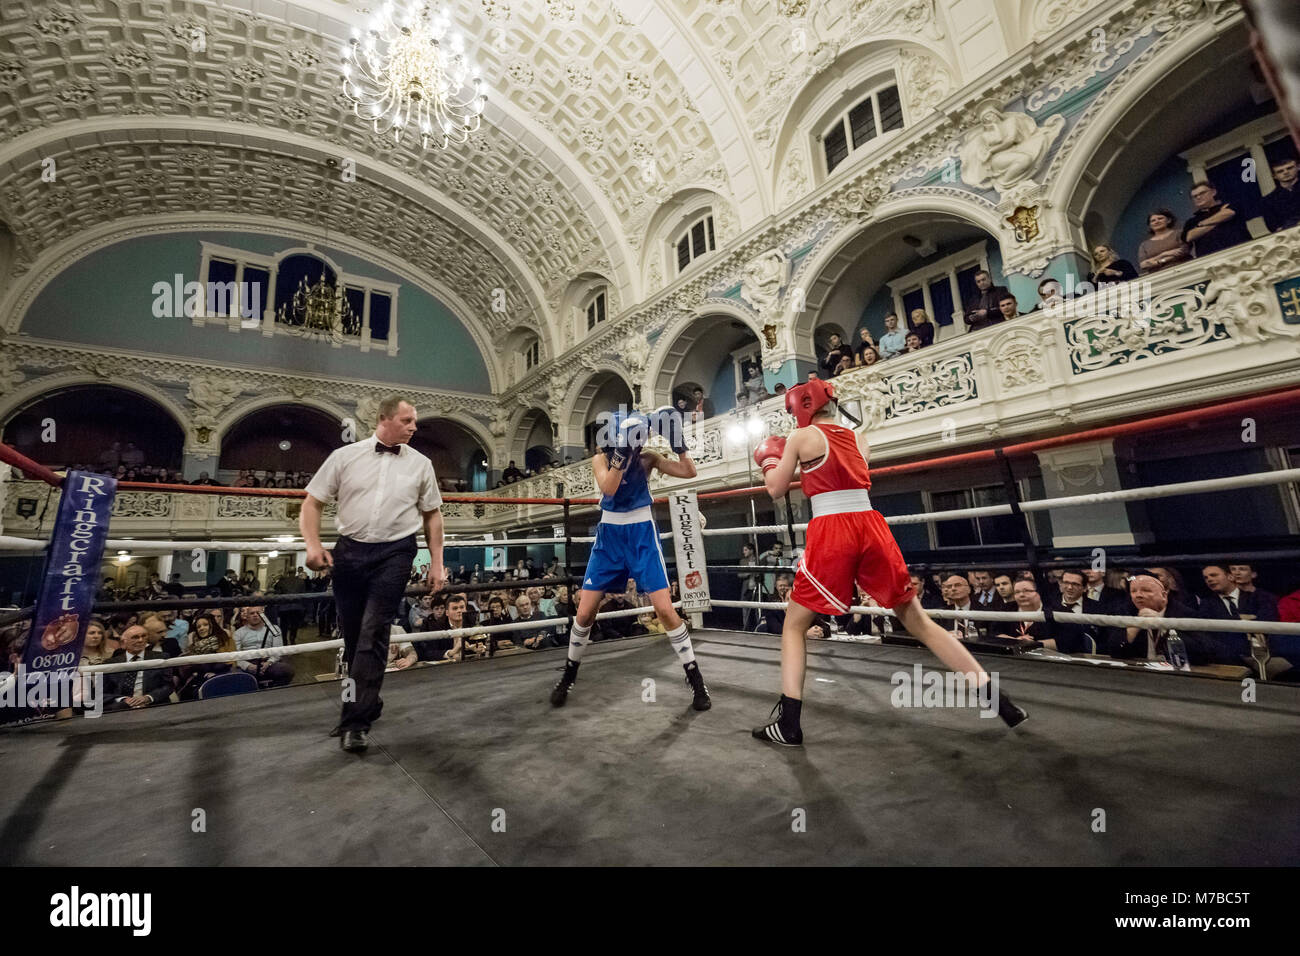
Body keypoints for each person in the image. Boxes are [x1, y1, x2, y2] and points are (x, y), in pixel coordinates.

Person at [749, 380, 1026, 745]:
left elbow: (776, 488)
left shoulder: (803, 438)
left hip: (833, 529)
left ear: (801, 405)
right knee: (919, 621)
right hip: (871, 525)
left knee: (794, 625)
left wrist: (770, 458)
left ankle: (788, 724)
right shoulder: (859, 438)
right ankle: (999, 702)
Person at [301, 396, 445, 753]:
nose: (414, 427)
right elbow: (312, 502)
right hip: (350, 552)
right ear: (384, 419)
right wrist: (312, 545)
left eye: (415, 421)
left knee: (373, 632)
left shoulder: (421, 464)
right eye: (408, 420)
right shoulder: (344, 457)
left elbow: (432, 515)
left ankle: (356, 721)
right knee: (352, 639)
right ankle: (367, 702)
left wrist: (438, 563)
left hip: (396, 552)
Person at [550, 406, 710, 710]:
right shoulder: (600, 459)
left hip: (641, 534)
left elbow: (689, 472)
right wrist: (622, 453)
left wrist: (680, 445)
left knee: (664, 609)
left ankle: (695, 677)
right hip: (609, 535)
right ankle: (569, 674)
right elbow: (608, 488)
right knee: (584, 614)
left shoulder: (648, 459)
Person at [105, 625, 172, 712]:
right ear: (124, 642)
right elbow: (101, 693)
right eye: (135, 637)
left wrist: (148, 698)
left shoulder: (161, 658)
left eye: (143, 636)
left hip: (153, 706)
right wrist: (123, 699)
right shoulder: (111, 663)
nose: (140, 640)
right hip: (122, 708)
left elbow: (168, 686)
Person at [1182, 181, 1250, 258]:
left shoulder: (1230, 205)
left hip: (1240, 252)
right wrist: (1219, 220)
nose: (1198, 197)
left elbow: (1229, 213)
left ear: (1213, 192)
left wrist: (1200, 225)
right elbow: (1189, 236)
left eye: (1202, 193)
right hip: (1210, 261)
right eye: (1194, 196)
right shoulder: (1191, 221)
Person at [1137, 209, 1191, 274]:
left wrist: (1154, 261)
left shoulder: (1179, 233)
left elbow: (1184, 251)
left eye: (1160, 218)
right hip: (1159, 276)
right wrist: (1163, 255)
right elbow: (1143, 265)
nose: (1156, 222)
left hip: (1183, 269)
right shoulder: (1144, 245)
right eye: (1153, 221)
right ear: (1150, 225)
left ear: (1169, 220)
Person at [1262, 156, 1300, 233]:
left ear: (1298, 167)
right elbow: (1274, 227)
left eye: (1289, 168)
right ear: (1274, 176)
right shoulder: (1268, 200)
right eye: (1280, 171)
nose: (1285, 172)